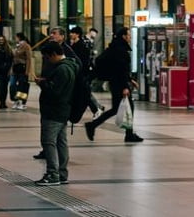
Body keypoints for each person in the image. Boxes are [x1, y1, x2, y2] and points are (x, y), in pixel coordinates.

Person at [85, 26, 143, 142]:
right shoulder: (120, 50)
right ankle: (127, 134)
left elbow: (121, 69)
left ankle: (94, 125)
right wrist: (125, 87)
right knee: (126, 107)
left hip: (116, 82)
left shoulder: (115, 47)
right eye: (128, 35)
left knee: (117, 108)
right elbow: (120, 69)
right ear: (124, 36)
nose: (130, 37)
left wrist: (130, 79)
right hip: (119, 84)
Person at [36, 38, 76, 184]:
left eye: (47, 57)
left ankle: (53, 174)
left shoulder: (62, 69)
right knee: (61, 143)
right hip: (63, 110)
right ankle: (62, 173)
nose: (47, 61)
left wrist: (42, 83)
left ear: (53, 54)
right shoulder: (70, 66)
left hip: (53, 111)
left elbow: (55, 92)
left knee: (48, 142)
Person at [10, 33, 33, 107]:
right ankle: (16, 99)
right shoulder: (16, 46)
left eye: (16, 37)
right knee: (12, 85)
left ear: (19, 38)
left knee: (22, 86)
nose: (15, 39)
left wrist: (27, 70)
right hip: (15, 68)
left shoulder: (26, 46)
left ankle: (22, 102)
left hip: (22, 67)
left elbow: (29, 59)